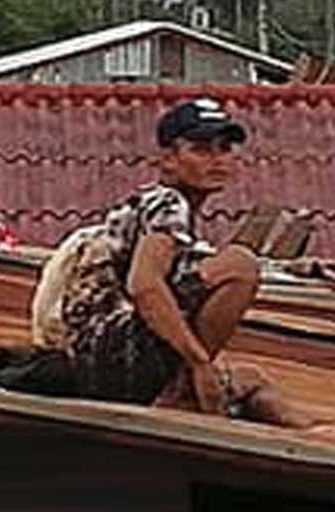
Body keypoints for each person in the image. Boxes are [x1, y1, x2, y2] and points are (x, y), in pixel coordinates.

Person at [47, 98, 303, 423]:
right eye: (201, 150)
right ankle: (177, 394)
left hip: (100, 357)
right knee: (240, 265)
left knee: (253, 380)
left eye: (224, 149)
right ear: (168, 160)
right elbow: (144, 285)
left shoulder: (163, 210)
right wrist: (199, 363)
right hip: (109, 354)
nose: (217, 160)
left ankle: (323, 436)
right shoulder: (167, 203)